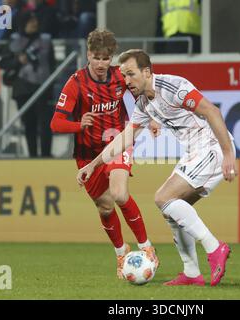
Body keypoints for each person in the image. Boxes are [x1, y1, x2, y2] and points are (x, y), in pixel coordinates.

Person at [76, 49, 237, 287]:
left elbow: (212, 111)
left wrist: (227, 155)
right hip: (195, 153)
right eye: (124, 76)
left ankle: (215, 248)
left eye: (131, 74)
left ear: (147, 72)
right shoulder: (143, 103)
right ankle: (192, 273)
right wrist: (93, 164)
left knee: (163, 197)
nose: (126, 81)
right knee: (171, 209)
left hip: (211, 147)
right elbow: (125, 138)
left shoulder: (173, 86)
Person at [50, 30, 159, 280]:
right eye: (96, 57)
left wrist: (152, 118)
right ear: (88, 55)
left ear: (112, 58)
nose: (101, 64)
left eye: (106, 58)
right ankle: (121, 253)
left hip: (117, 141)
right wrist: (78, 124)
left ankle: (147, 247)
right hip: (87, 153)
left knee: (119, 193)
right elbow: (55, 124)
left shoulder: (120, 77)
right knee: (105, 205)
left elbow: (142, 96)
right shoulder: (75, 83)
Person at [0, 12, 54, 157]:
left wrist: (52, 87)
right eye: (30, 21)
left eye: (35, 20)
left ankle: (46, 155)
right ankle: (33, 156)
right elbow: (3, 63)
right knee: (29, 124)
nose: (34, 24)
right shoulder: (14, 40)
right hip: (22, 88)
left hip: (43, 86)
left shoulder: (46, 40)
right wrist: (18, 61)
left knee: (46, 125)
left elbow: (52, 64)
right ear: (23, 23)